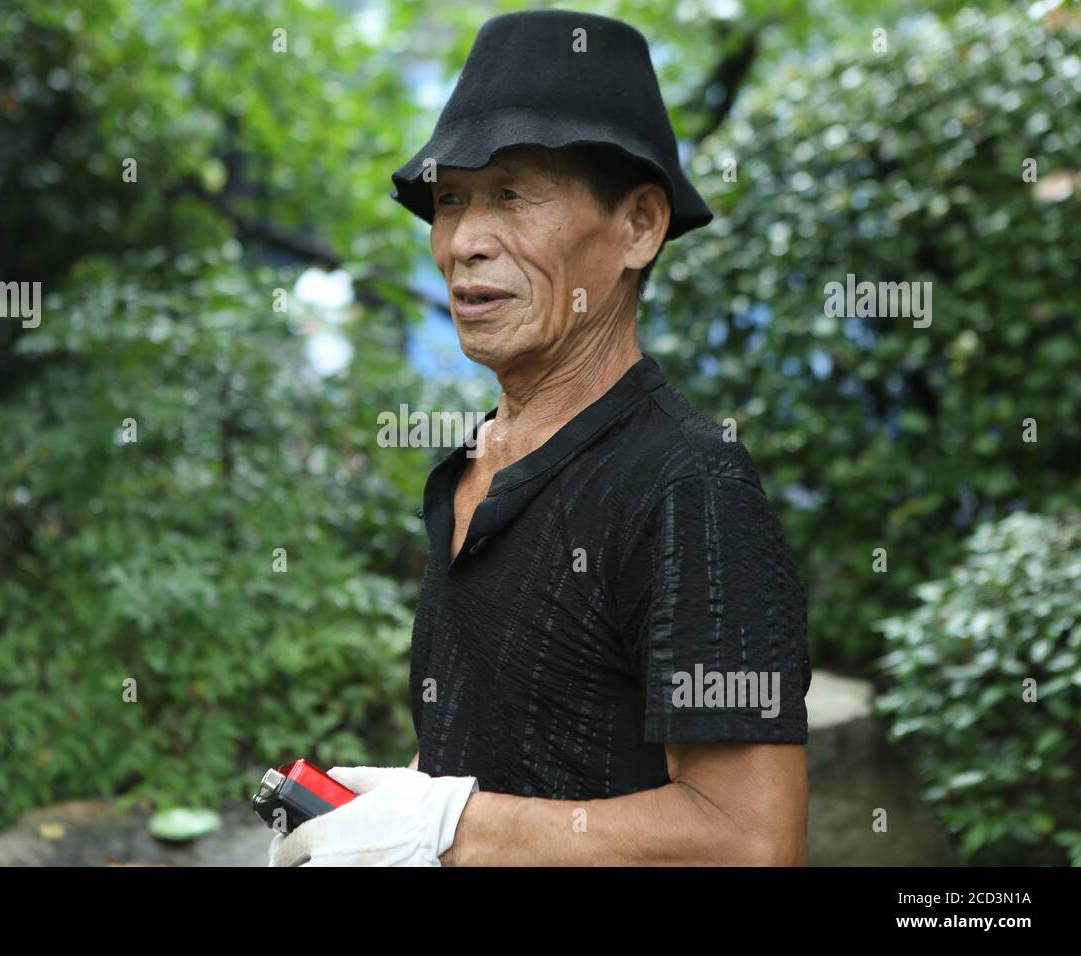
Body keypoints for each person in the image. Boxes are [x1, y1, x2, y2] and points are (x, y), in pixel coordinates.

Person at [270, 8, 811, 867]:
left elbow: (751, 842)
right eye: (451, 200)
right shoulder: (468, 469)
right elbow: (488, 757)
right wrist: (403, 812)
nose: (464, 244)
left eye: (513, 196)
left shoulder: (688, 487)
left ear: (638, 225)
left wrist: (450, 827)